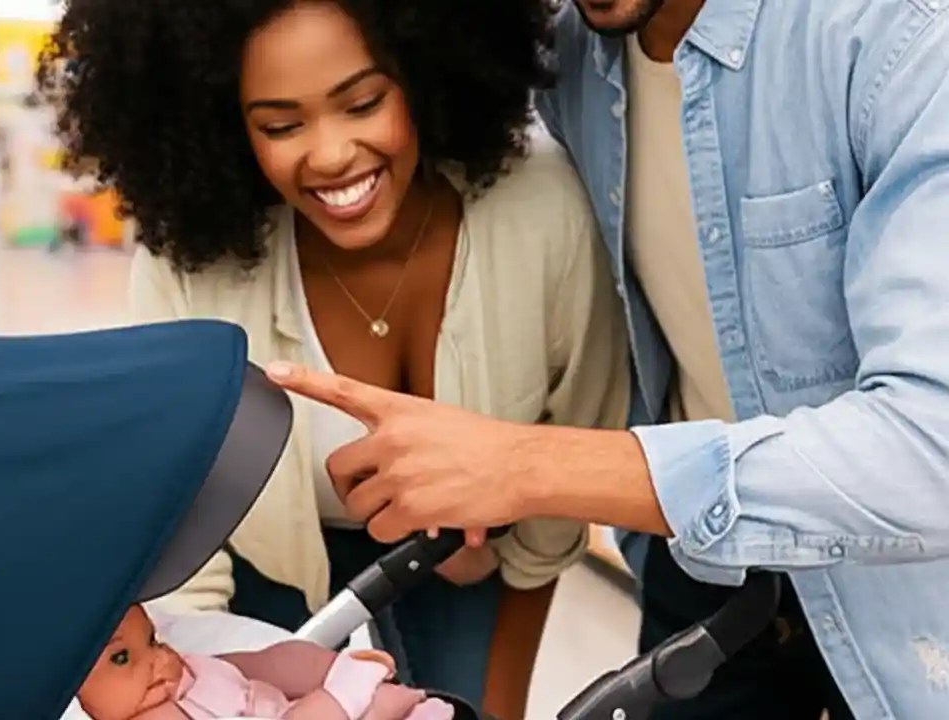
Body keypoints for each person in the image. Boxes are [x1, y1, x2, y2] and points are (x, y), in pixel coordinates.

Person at [262, 1, 949, 718]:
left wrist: (526, 466)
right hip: (702, 573)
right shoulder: (569, 64)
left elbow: (933, 448)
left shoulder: (900, 43)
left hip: (904, 605)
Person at [37, 0, 630, 716]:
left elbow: (566, 468)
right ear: (226, 121)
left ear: (422, 73)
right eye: (281, 126)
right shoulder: (191, 265)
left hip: (468, 564)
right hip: (261, 567)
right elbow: (181, 528)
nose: (331, 154)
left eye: (364, 102)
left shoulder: (542, 215)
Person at [75, 604, 454, 720]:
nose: (158, 660)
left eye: (153, 640)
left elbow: (268, 663)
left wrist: (331, 668)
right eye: (121, 658)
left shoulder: (183, 671)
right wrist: (344, 698)